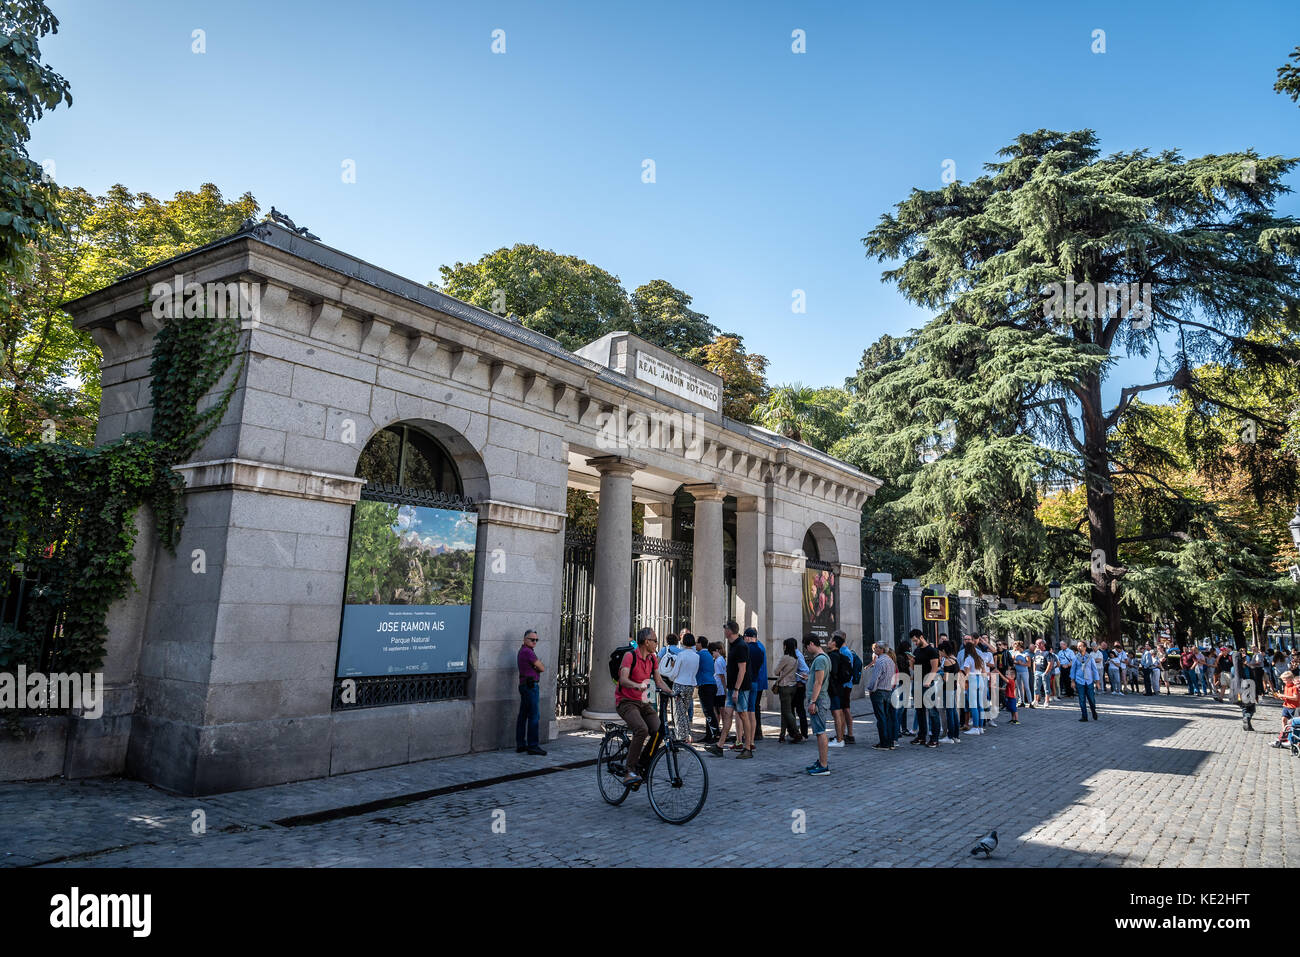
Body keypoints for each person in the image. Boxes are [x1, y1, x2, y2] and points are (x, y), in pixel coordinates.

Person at [615, 628, 674, 785]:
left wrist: (672, 693)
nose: (656, 643)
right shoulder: (630, 656)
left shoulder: (653, 658)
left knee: (659, 730)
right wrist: (637, 685)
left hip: (643, 701)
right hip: (626, 701)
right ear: (646, 642)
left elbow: (659, 680)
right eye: (655, 640)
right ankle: (630, 770)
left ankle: (642, 763)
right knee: (642, 729)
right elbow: (623, 679)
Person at [708, 621, 754, 759]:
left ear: (729, 631)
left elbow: (742, 669)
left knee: (743, 715)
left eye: (725, 629)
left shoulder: (740, 646)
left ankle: (748, 747)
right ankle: (719, 746)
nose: (724, 631)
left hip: (740, 688)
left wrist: (736, 689)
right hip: (732, 688)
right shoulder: (733, 645)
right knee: (727, 714)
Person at [802, 634, 832, 775]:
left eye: (807, 646)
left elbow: (819, 682)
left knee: (820, 732)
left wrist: (813, 701)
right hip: (820, 698)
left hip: (819, 700)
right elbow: (817, 679)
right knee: (819, 732)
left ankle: (824, 765)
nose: (807, 649)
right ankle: (821, 761)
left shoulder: (820, 660)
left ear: (812, 644)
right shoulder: (824, 658)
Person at [515, 629, 547, 756]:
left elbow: (538, 667)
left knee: (523, 715)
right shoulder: (528, 652)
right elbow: (542, 667)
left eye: (536, 640)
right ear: (524, 639)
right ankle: (533, 746)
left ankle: (521, 744)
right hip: (530, 686)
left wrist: (536, 667)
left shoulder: (523, 651)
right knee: (534, 716)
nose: (534, 642)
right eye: (532, 639)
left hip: (524, 685)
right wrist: (536, 667)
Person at [909, 630, 942, 747]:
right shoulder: (916, 650)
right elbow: (913, 668)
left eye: (915, 640)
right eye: (913, 641)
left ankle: (934, 738)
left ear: (921, 637)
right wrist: (911, 661)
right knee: (919, 711)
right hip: (917, 683)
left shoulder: (932, 651)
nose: (914, 643)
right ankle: (921, 736)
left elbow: (935, 668)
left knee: (932, 712)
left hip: (928, 684)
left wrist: (928, 681)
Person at [866, 641, 897, 750]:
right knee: (887, 716)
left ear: (882, 649)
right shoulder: (891, 661)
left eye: (877, 648)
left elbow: (875, 678)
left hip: (879, 691)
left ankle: (884, 743)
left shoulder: (880, 661)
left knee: (881, 717)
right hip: (888, 690)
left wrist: (871, 689)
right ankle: (890, 741)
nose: (874, 649)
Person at [672, 634, 700, 743]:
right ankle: (687, 734)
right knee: (685, 711)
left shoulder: (681, 655)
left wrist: (670, 676)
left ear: (683, 642)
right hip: (690, 685)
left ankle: (681, 736)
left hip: (679, 684)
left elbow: (675, 672)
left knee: (678, 712)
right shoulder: (697, 656)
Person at [774, 637, 803, 743]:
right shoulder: (795, 658)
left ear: (786, 646)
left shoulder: (785, 658)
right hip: (793, 686)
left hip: (785, 686)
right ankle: (781, 735)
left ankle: (796, 732)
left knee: (787, 712)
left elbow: (776, 672)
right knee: (785, 711)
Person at [827, 633, 854, 747]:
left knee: (837, 713)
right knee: (839, 712)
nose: (828, 642)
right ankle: (840, 737)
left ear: (834, 643)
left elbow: (833, 673)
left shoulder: (833, 656)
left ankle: (839, 739)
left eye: (830, 640)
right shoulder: (840, 655)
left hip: (835, 688)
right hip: (840, 688)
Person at [694, 635, 719, 743]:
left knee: (708, 711)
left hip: (705, 685)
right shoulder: (709, 655)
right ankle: (709, 735)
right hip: (711, 684)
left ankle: (714, 734)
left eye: (696, 643)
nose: (695, 645)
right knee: (709, 710)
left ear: (700, 644)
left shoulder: (699, 655)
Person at [744, 627, 767, 742]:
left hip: (756, 680)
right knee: (754, 707)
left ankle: (755, 732)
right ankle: (756, 732)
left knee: (753, 708)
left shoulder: (755, 647)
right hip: (759, 680)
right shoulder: (760, 646)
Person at [938, 639, 962, 744]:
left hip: (947, 689)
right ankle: (955, 736)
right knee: (953, 712)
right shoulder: (954, 659)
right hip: (953, 687)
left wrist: (940, 674)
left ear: (944, 650)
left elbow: (946, 679)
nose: (940, 653)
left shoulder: (947, 661)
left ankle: (950, 736)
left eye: (940, 651)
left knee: (949, 712)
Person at [1072, 640, 1100, 721]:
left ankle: (1093, 711)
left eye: (1080, 646)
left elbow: (1094, 670)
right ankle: (1084, 716)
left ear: (1084, 647)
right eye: (1078, 646)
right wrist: (1072, 681)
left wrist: (1097, 682)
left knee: (1091, 699)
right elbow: (1073, 670)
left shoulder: (1090, 658)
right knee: (1081, 699)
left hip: (1089, 681)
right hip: (1079, 681)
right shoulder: (1075, 658)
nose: (1078, 647)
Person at [1270, 669, 1298, 749]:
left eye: (1285, 680)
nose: (1283, 681)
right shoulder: (1286, 686)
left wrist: (1284, 696)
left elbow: (1295, 698)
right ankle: (1283, 735)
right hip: (1286, 705)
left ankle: (1290, 736)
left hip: (1293, 707)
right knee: (1283, 720)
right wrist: (1279, 697)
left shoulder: (1294, 687)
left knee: (1292, 723)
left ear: (1290, 679)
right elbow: (1286, 697)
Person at [793, 639, 811, 740]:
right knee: (799, 710)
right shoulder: (797, 654)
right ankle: (799, 732)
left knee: (799, 710)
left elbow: (805, 670)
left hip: (799, 686)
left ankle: (803, 733)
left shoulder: (797, 655)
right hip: (798, 686)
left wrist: (799, 677)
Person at [1031, 639, 1055, 708]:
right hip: (1037, 672)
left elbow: (1050, 664)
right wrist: (1034, 671)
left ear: (1042, 644)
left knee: (1046, 687)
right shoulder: (1037, 652)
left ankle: (1046, 701)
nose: (1036, 645)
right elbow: (1034, 662)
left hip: (1044, 672)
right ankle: (1035, 700)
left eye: (1037, 644)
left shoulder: (1047, 653)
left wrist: (1046, 672)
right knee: (1036, 687)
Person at [1012, 640, 1032, 710]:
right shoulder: (1015, 653)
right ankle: (1022, 702)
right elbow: (1013, 661)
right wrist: (1017, 663)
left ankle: (1030, 702)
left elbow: (1029, 664)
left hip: (1024, 672)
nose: (1015, 647)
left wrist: (1021, 663)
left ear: (1019, 646)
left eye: (1016, 646)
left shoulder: (1026, 654)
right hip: (1017, 672)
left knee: (1026, 687)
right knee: (1019, 687)